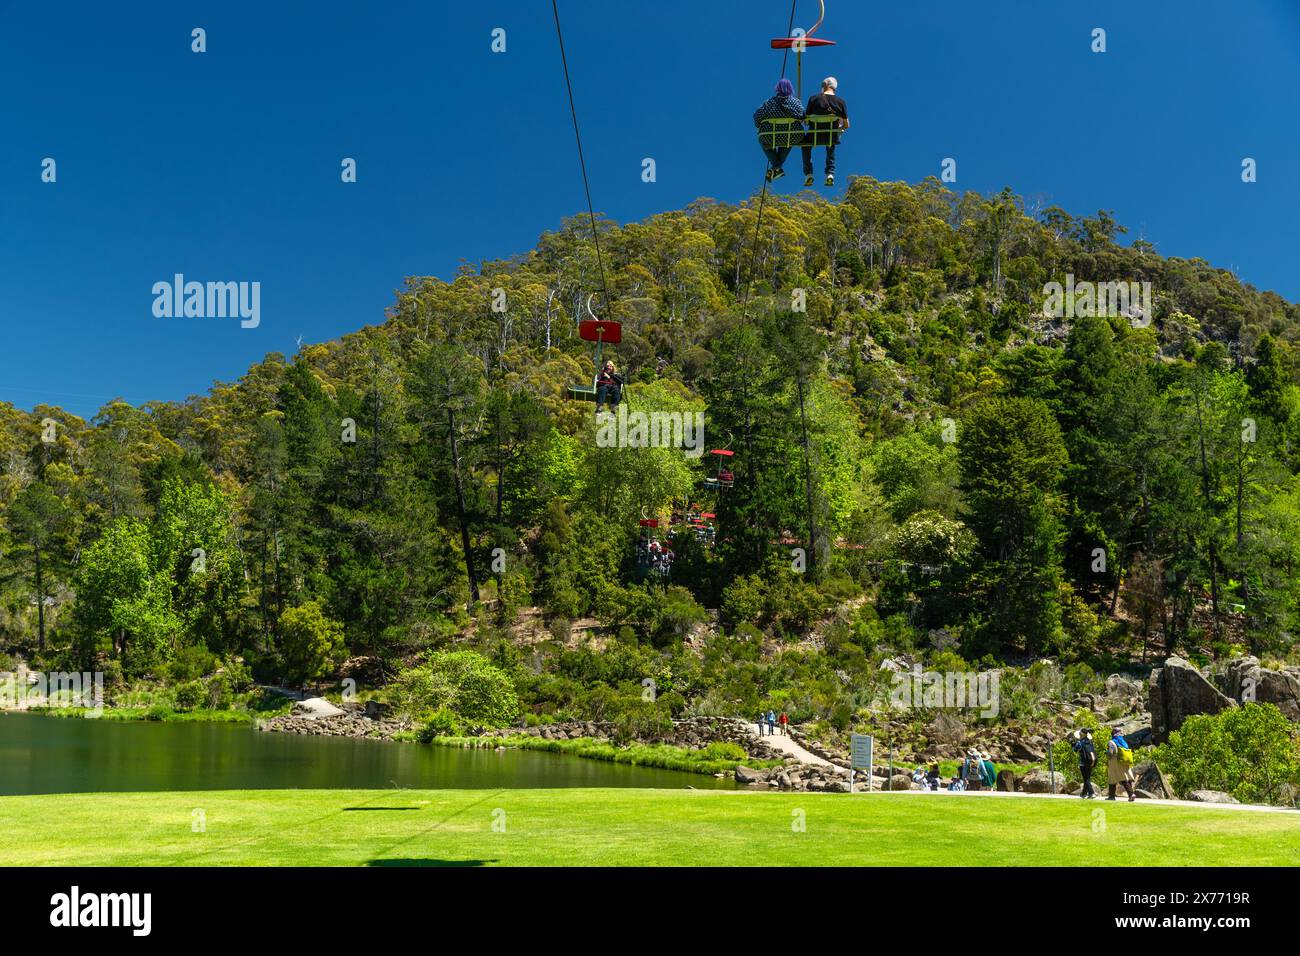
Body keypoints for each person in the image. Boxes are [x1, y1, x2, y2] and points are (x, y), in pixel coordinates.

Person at [753, 78, 805, 182]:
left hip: (770, 135)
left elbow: (757, 116)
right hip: (791, 135)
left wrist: (759, 125)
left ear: (777, 88)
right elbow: (803, 115)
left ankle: (775, 167)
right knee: (789, 139)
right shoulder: (795, 102)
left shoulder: (769, 103)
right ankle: (776, 168)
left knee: (763, 141)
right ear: (790, 89)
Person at [801, 76, 849, 187]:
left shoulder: (814, 99)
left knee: (805, 144)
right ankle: (830, 173)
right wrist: (839, 126)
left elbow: (806, 121)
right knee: (832, 141)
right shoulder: (841, 102)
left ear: (825, 86)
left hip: (814, 136)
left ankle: (808, 174)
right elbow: (847, 125)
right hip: (830, 137)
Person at [1107, 727, 1136, 802]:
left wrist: (1106, 753)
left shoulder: (1111, 742)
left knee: (1114, 778)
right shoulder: (1123, 742)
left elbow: (1110, 753)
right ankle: (1130, 794)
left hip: (1115, 762)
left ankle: (1113, 796)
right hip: (1125, 762)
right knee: (1125, 777)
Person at [1072, 729, 1098, 799]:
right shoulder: (1090, 741)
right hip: (1091, 761)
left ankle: (1091, 793)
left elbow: (1075, 750)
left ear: (1081, 735)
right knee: (1087, 778)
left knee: (1086, 779)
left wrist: (1072, 745)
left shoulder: (1080, 742)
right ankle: (1084, 793)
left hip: (1083, 763)